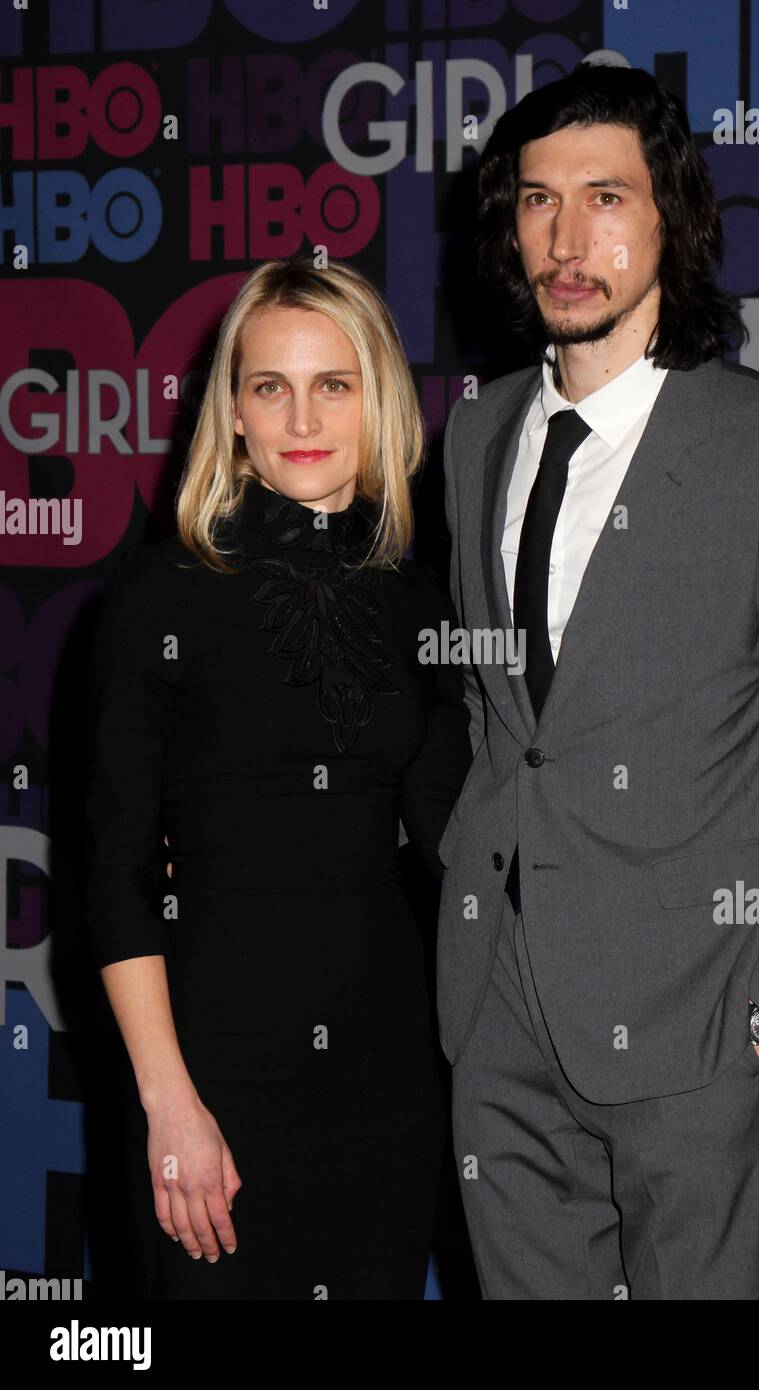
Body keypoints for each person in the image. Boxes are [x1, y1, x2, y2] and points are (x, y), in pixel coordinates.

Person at [436, 62, 759, 1299]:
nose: (565, 237)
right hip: (497, 1019)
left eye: (604, 196)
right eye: (537, 201)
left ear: (672, 220)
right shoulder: (477, 434)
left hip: (698, 1032)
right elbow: (499, 727)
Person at [85, 256, 472, 1300]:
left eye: (332, 384)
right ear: (236, 417)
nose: (302, 414)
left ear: (376, 401)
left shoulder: (422, 605)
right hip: (210, 1069)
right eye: (270, 385)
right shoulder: (158, 594)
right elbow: (115, 871)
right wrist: (169, 1100)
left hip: (388, 1079)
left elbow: (457, 842)